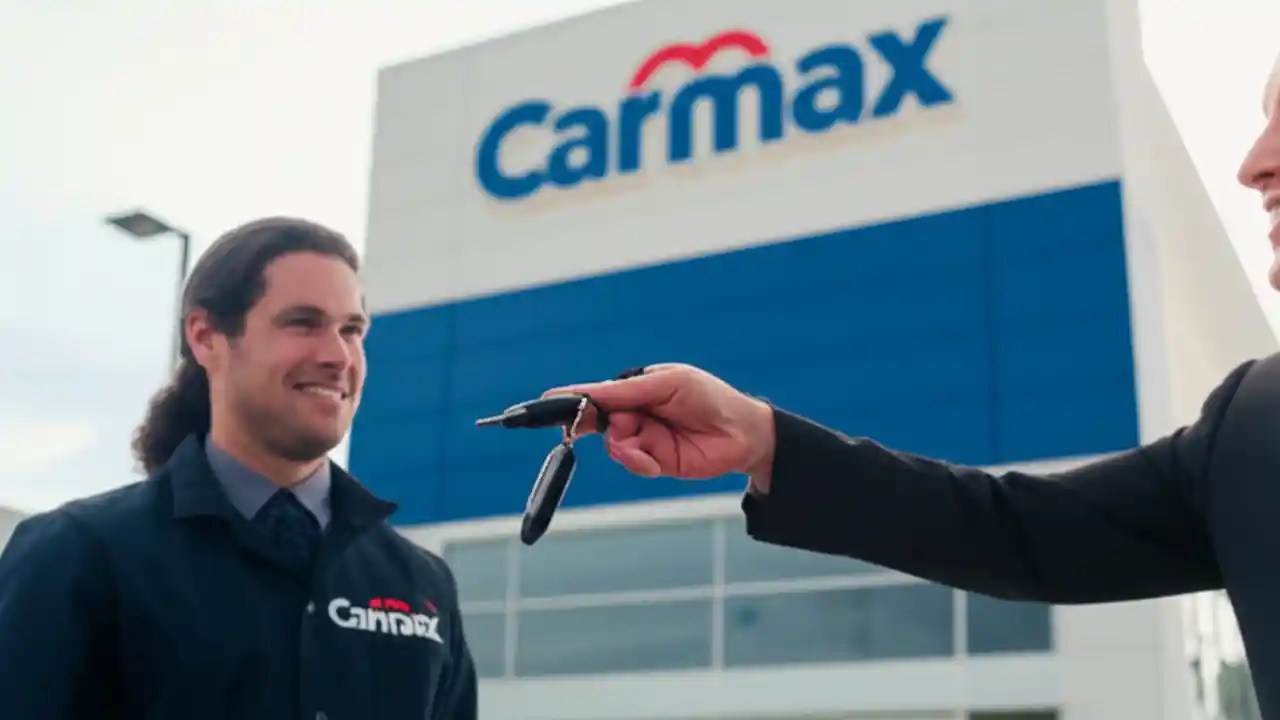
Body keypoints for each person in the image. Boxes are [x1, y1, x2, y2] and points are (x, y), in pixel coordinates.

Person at [540, 56, 1280, 715]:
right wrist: (762, 439)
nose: (1253, 165)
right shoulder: (1254, 423)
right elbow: (1016, 531)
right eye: (1261, 125)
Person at [0, 218, 477, 719]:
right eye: (303, 323)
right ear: (206, 337)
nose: (338, 356)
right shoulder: (79, 555)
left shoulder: (421, 583)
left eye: (352, 330)